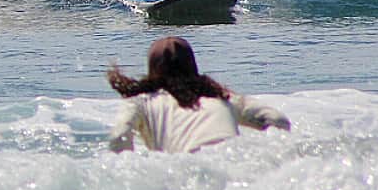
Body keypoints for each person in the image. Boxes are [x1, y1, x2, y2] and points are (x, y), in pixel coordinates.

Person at [106, 36, 290, 154]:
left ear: (152, 69)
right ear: (193, 67)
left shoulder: (141, 102)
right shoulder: (222, 97)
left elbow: (118, 137)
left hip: (189, 167)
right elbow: (278, 121)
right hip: (233, 159)